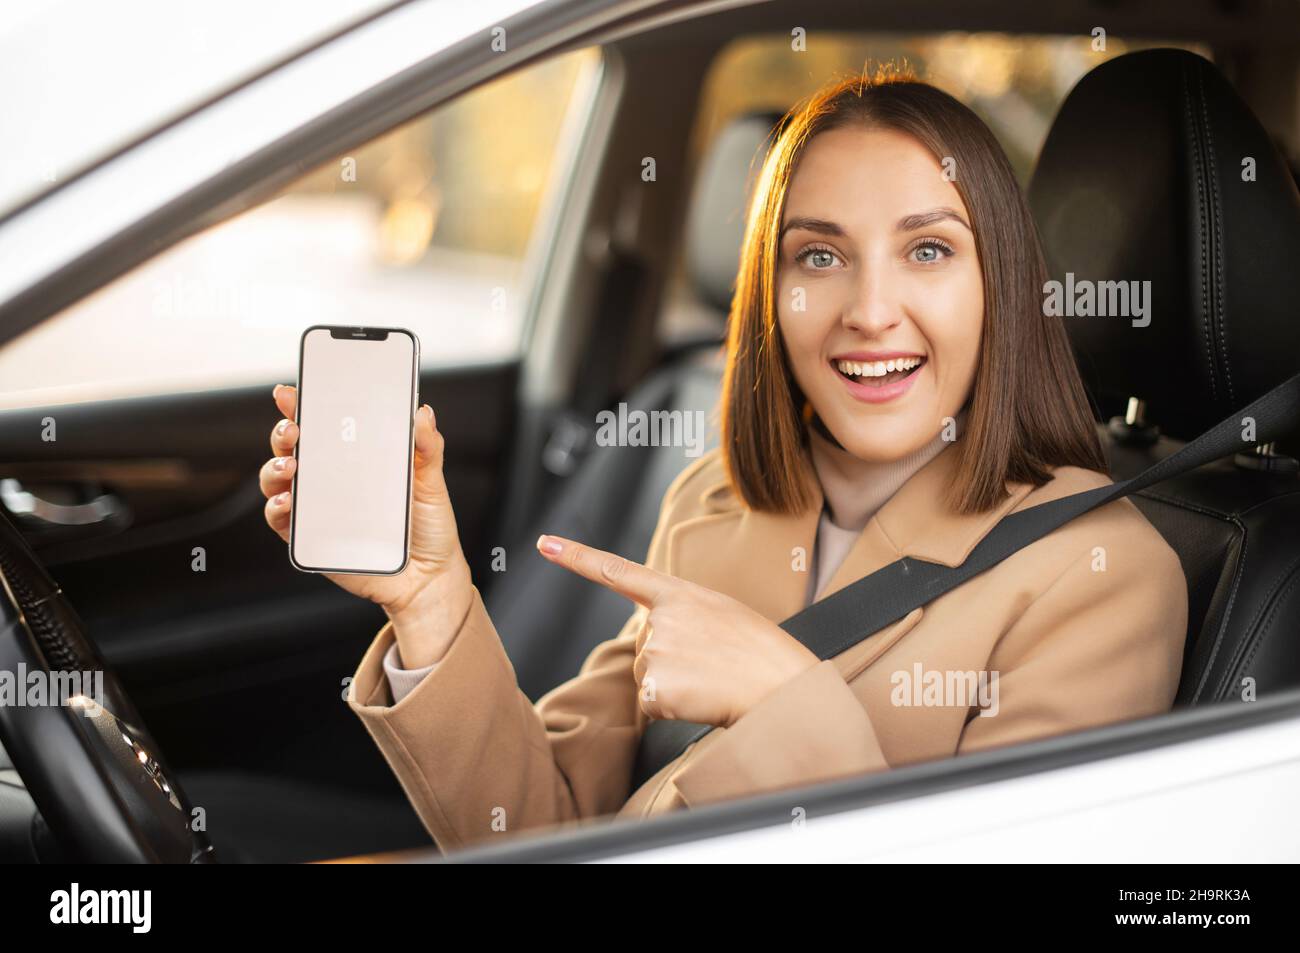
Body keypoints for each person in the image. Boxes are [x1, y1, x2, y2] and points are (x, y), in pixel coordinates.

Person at [258, 71, 1187, 853]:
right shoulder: (713, 499)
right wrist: (431, 599)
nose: (869, 309)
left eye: (929, 250)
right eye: (819, 256)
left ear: (1002, 290)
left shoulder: (1100, 573)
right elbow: (539, 826)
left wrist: (783, 698)